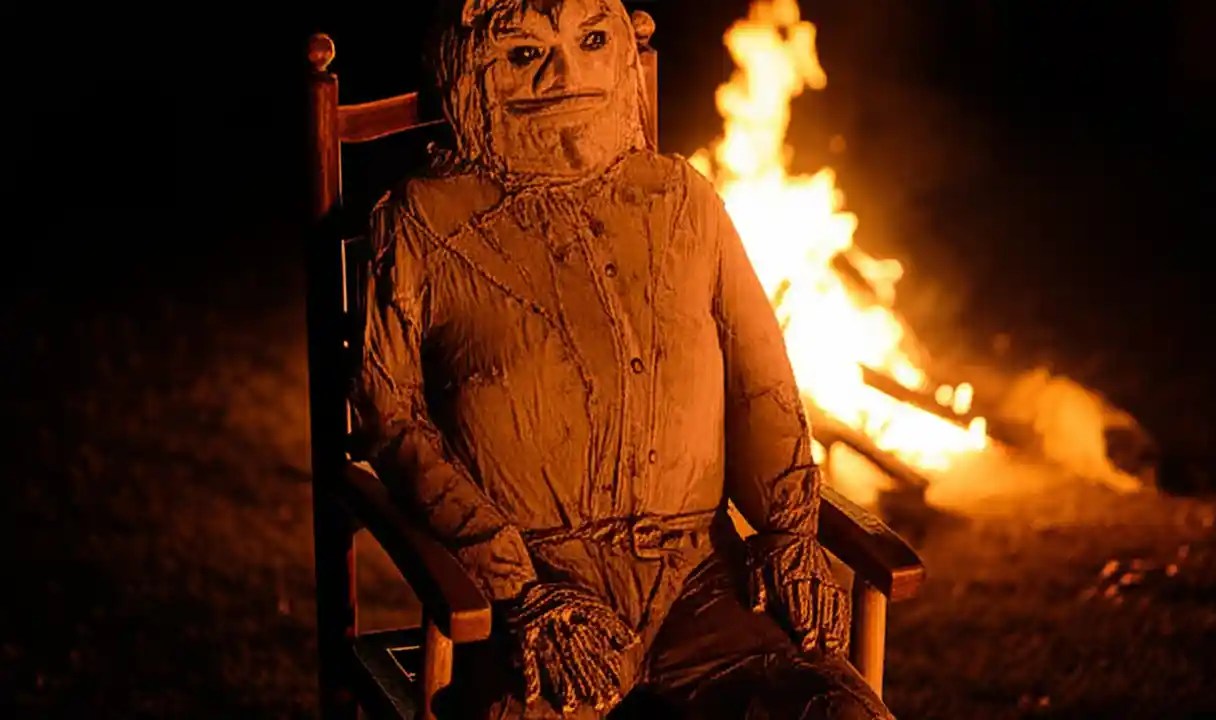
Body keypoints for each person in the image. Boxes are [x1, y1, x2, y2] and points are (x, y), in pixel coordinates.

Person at [350, 1, 892, 717]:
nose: (567, 73)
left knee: (834, 711)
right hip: (539, 591)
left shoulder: (681, 200)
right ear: (470, 68)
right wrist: (516, 585)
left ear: (624, 54)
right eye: (522, 55)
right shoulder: (423, 222)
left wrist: (790, 527)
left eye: (594, 40)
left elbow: (760, 375)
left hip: (702, 576)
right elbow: (392, 416)